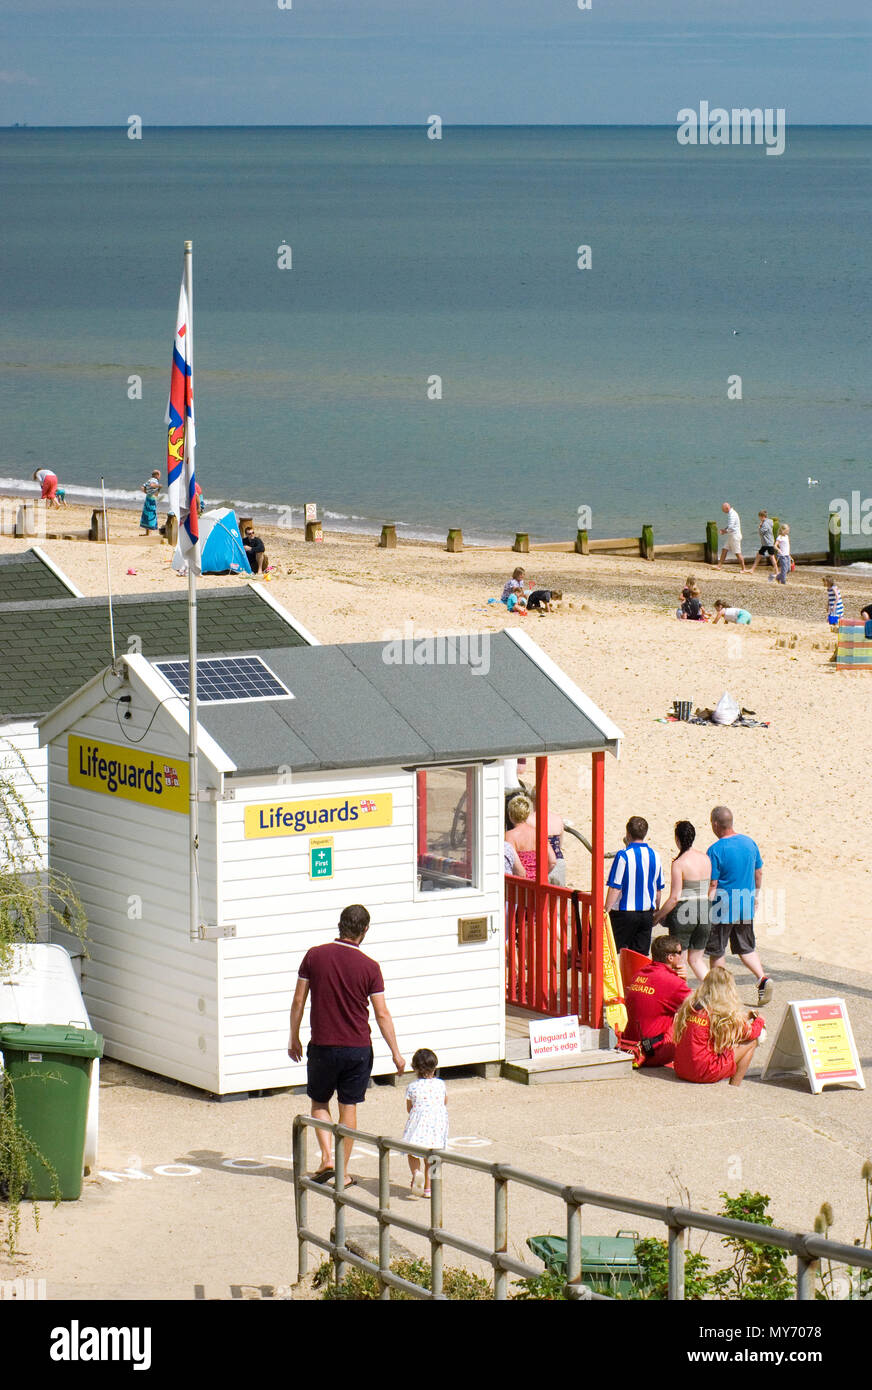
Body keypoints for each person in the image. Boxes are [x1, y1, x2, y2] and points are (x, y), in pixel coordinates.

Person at [288, 904, 405, 1185]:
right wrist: (396, 1053)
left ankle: (327, 1157)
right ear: (365, 930)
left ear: (340, 925)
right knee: (348, 1107)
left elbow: (298, 1001)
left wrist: (294, 1036)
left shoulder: (314, 956)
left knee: (319, 1101)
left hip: (323, 1044)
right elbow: (381, 1014)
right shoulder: (370, 967)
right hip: (357, 1048)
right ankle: (342, 1171)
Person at [706, 806, 772, 1004]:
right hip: (745, 905)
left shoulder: (715, 849)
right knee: (746, 948)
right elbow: (758, 873)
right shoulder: (749, 843)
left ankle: (720, 992)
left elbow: (713, 884)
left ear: (716, 825)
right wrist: (755, 897)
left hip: (721, 908)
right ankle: (762, 978)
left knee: (717, 951)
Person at [672, 967, 765, 1087]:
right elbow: (751, 1033)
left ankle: (733, 1084)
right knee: (751, 1042)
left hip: (681, 1068)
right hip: (703, 1071)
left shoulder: (691, 1006)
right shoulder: (721, 1012)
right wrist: (760, 1020)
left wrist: (745, 1017)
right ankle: (734, 1086)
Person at [653, 821, 711, 981]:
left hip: (685, 911)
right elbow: (710, 886)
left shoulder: (679, 863)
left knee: (681, 962)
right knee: (697, 959)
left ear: (677, 839)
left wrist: (658, 916)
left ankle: (680, 997)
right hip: (705, 908)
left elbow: (674, 898)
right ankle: (713, 993)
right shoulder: (706, 859)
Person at [623, 935, 691, 1066]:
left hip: (631, 1045)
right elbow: (696, 1005)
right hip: (654, 1051)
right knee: (690, 1018)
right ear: (670, 957)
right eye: (680, 953)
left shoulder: (640, 973)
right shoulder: (672, 982)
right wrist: (682, 981)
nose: (682, 957)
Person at [604, 816, 664, 954]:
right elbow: (658, 888)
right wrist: (656, 908)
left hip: (625, 913)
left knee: (612, 951)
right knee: (639, 956)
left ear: (628, 834)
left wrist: (606, 910)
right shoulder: (655, 855)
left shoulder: (624, 855)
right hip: (646, 913)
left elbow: (615, 887)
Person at [402, 1048, 448, 1198]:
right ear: (434, 1067)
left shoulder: (412, 1087)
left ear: (414, 1068)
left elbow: (410, 1108)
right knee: (432, 1155)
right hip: (437, 1123)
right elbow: (445, 1102)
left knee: (412, 1151)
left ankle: (416, 1173)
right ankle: (429, 1188)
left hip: (418, 1122)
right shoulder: (440, 1084)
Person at [505, 794, 556, 882]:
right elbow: (552, 861)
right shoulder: (538, 833)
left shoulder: (509, 836)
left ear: (510, 815)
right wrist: (539, 876)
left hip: (522, 884)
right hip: (538, 883)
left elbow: (519, 870)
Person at [528, 786, 566, 886]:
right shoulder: (558, 819)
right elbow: (560, 844)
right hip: (558, 861)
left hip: (540, 863)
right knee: (558, 898)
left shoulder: (529, 820)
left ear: (532, 799)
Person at [717, 502, 746, 571]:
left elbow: (731, 527)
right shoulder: (731, 513)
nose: (723, 511)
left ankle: (743, 568)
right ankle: (719, 566)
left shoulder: (732, 514)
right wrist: (725, 529)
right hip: (731, 535)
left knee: (737, 553)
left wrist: (724, 531)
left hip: (734, 536)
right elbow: (730, 526)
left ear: (727, 508)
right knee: (724, 549)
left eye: (723, 510)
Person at [749, 511, 778, 575]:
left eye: (759, 517)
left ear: (762, 517)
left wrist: (759, 527)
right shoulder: (770, 521)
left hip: (767, 543)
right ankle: (752, 569)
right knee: (759, 555)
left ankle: (776, 571)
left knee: (771, 557)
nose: (759, 519)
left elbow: (761, 532)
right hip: (768, 542)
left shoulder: (765, 523)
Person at [140, 470, 161, 536]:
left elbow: (142, 487)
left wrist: (146, 492)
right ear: (157, 475)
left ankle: (147, 532)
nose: (160, 477)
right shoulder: (154, 480)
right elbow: (152, 485)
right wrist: (159, 486)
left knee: (146, 514)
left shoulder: (149, 480)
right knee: (151, 514)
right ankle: (149, 532)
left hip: (148, 497)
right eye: (159, 475)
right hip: (152, 498)